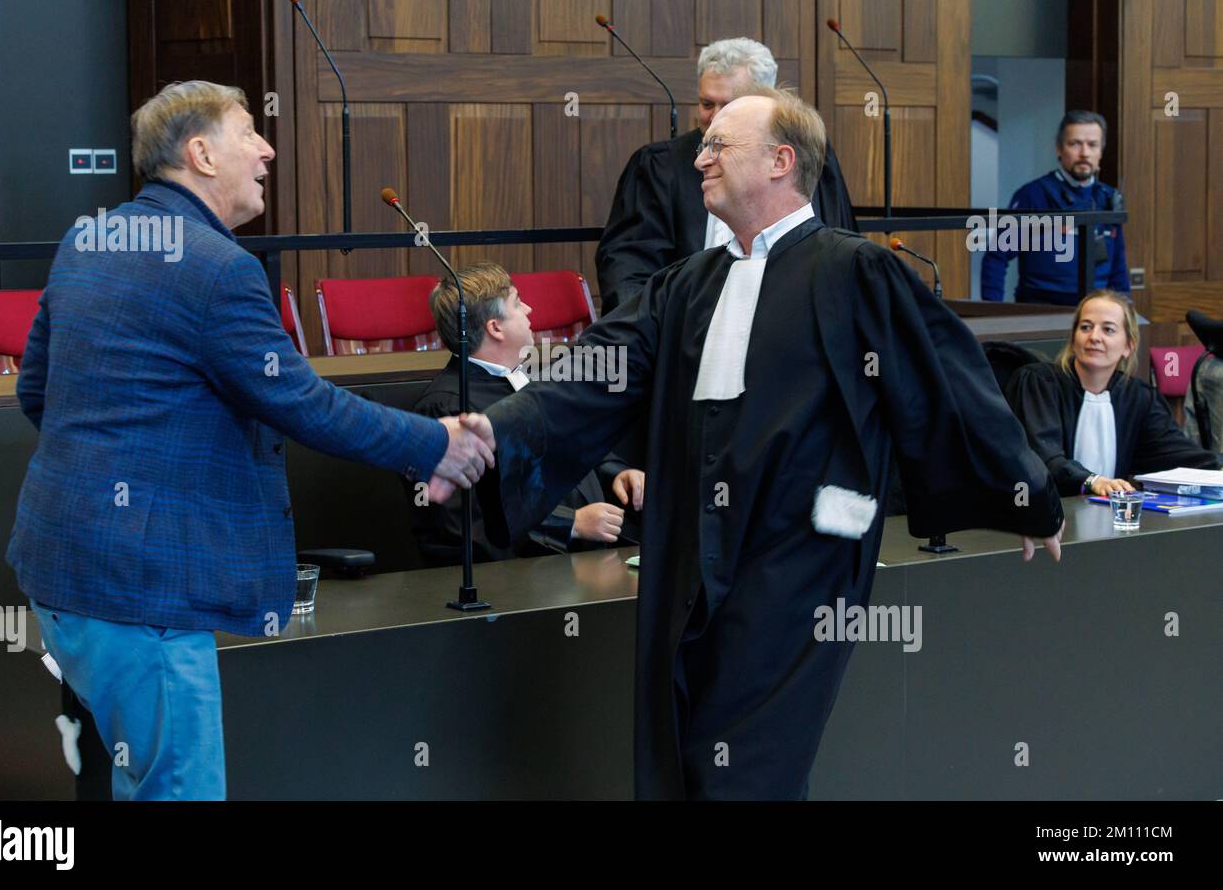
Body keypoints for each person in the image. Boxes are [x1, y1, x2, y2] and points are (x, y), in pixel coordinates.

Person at [479, 86, 1064, 800]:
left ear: (782, 161)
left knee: (747, 767)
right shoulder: (684, 285)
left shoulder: (857, 271)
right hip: (687, 557)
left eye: (718, 145)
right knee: (683, 754)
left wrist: (1026, 495)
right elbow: (588, 379)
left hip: (800, 564)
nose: (699, 159)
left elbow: (950, 386)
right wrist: (488, 434)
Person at [6, 80, 495, 800]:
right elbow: (305, 404)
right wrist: (436, 444)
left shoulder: (93, 237)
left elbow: (34, 391)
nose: (268, 147)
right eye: (248, 132)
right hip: (146, 594)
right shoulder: (217, 268)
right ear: (201, 154)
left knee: (120, 782)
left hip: (63, 573)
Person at [595, 37, 856, 313]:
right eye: (707, 104)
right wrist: (654, 332)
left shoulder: (809, 159)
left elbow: (839, 248)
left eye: (730, 105)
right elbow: (628, 268)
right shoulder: (658, 167)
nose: (716, 118)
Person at [409, 263, 645, 563]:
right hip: (531, 571)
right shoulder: (448, 406)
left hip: (594, 553)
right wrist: (569, 524)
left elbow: (576, 440)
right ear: (496, 327)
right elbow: (463, 521)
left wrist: (618, 472)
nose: (530, 310)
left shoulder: (536, 378)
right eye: (518, 303)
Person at [1005, 289, 1221, 495]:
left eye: (1108, 329)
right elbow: (1043, 456)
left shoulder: (1138, 397)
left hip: (1107, 516)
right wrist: (1092, 481)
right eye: (1086, 327)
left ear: (1128, 346)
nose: (1094, 337)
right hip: (1043, 515)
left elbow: (1178, 455)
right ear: (1073, 338)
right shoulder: (1038, 383)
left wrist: (1218, 467)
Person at [981, 110, 1130, 305]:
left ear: (1100, 152)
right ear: (1059, 149)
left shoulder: (1110, 197)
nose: (1084, 153)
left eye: (1092, 145)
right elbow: (996, 257)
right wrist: (993, 314)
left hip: (1095, 309)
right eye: (1074, 144)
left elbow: (1118, 266)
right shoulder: (1032, 195)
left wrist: (1125, 312)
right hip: (1039, 307)